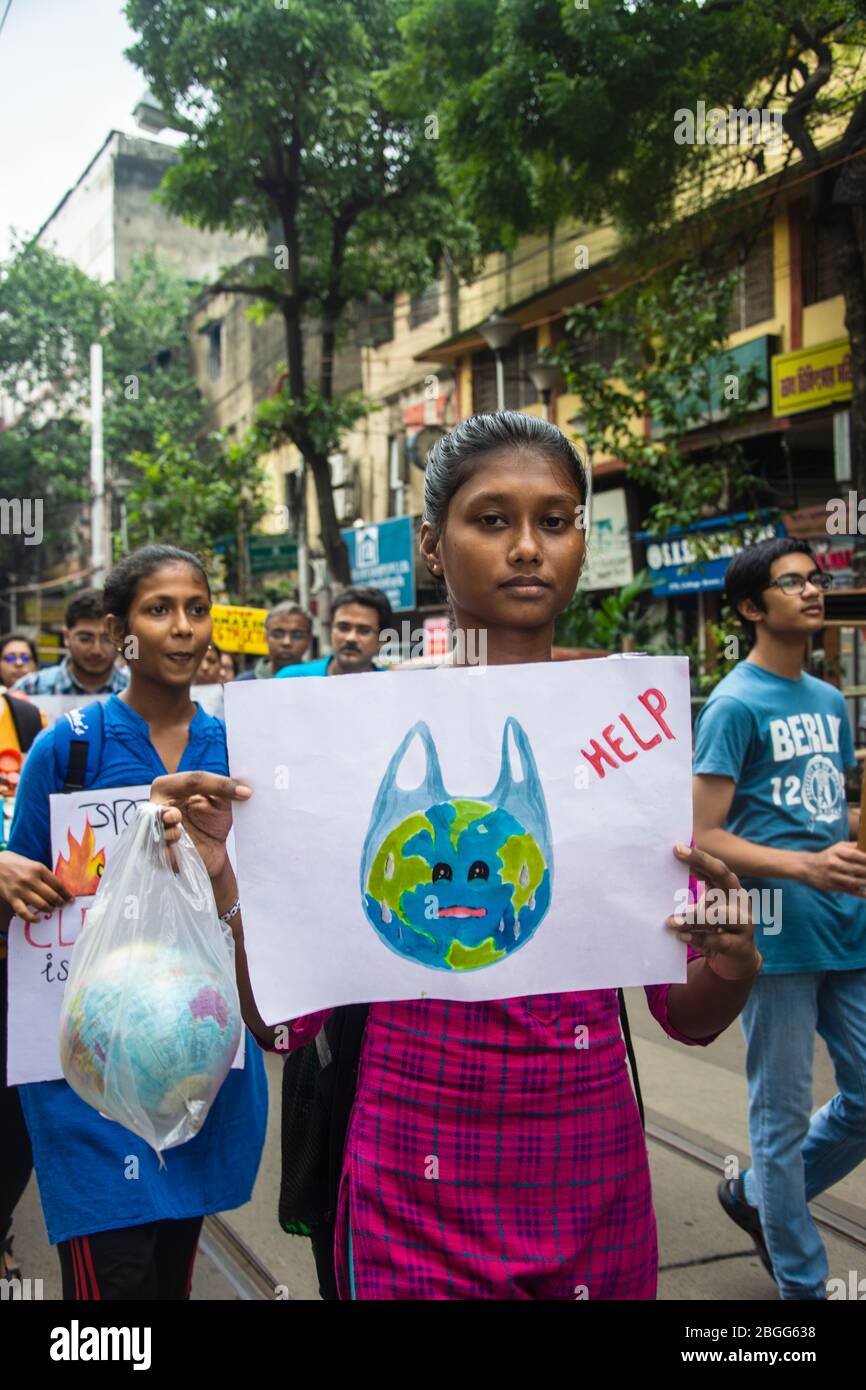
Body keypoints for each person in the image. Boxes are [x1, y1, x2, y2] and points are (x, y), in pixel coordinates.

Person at [151, 412, 760, 1301]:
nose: (526, 547)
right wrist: (228, 884)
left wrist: (736, 961)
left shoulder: (628, 738)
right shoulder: (346, 745)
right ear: (432, 547)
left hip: (594, 1189)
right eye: (491, 520)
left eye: (555, 521)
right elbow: (283, 1026)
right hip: (408, 1193)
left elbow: (689, 1015)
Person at [0, 544, 267, 1300]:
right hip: (88, 1076)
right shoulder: (69, 749)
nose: (183, 629)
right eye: (159, 611)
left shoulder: (241, 751)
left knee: (165, 1282)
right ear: (121, 631)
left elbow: (268, 916)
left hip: (198, 1067)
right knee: (111, 1294)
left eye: (197, 609)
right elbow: (23, 898)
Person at [693, 537, 866, 1301]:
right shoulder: (734, 703)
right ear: (751, 607)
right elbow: (705, 834)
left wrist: (844, 859)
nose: (812, 591)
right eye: (791, 582)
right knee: (783, 1112)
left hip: (848, 926)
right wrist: (804, 867)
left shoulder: (830, 701)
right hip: (777, 933)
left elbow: (833, 808)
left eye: (815, 578)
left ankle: (761, 1194)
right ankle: (803, 1285)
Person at [12, 590, 128, 696]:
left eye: (107, 639)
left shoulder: (137, 691)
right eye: (85, 639)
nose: (96, 650)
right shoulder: (30, 689)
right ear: (66, 637)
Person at [275, 587, 391, 679]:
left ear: (382, 639)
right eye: (343, 627)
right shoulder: (292, 680)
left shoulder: (392, 688)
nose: (351, 638)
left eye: (363, 631)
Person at [235, 603, 313, 680]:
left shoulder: (319, 682)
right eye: (277, 634)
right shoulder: (243, 684)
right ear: (266, 637)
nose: (286, 642)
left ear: (309, 640)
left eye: (297, 635)